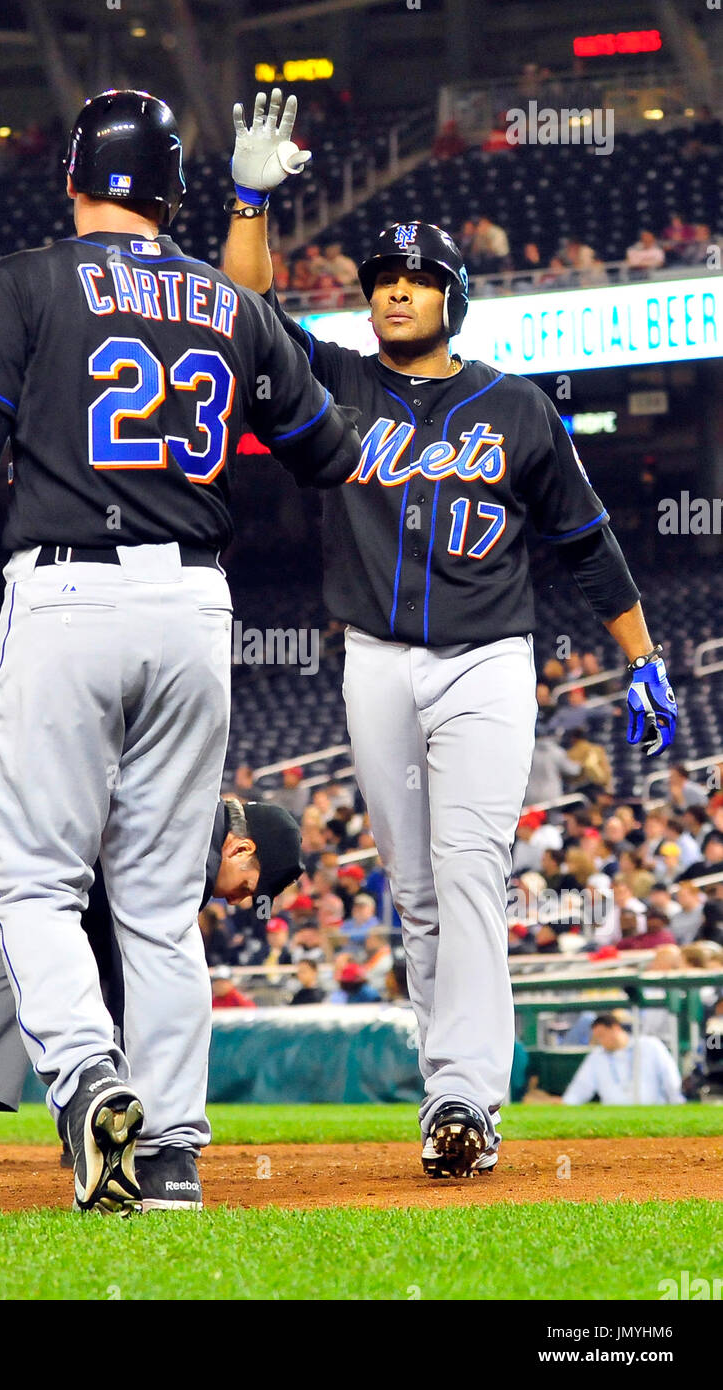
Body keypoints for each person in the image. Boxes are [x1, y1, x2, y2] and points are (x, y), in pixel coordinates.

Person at [0, 89, 358, 1216]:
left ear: (76, 176)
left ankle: (90, 1080)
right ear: (175, 189)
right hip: (195, 610)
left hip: (68, 595)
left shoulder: (28, 280)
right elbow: (326, 453)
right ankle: (176, 1154)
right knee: (152, 902)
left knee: (33, 885)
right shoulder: (226, 305)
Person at [224, 85, 677, 1178]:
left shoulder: (516, 405)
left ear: (453, 296)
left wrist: (643, 655)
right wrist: (248, 203)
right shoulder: (335, 382)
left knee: (469, 867)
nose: (394, 292)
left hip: (485, 662)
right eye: (382, 279)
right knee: (415, 889)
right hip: (372, 663)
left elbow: (586, 540)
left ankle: (469, 1091)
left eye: (417, 278)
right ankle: (449, 1096)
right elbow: (242, 320)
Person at [0, 763, 303, 1178]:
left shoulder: (182, 831)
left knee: (45, 945)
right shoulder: (183, 842)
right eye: (248, 887)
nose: (240, 903)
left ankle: (86, 1119)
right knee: (17, 939)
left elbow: (113, 968)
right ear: (240, 849)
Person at [562, 1013, 684, 1104]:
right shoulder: (596, 1056)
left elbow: (670, 1078)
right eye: (597, 1038)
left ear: (616, 1028)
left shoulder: (651, 1045)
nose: (601, 1041)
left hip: (652, 1111)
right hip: (612, 1116)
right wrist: (566, 1103)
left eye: (602, 1036)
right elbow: (581, 1087)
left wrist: (678, 1102)